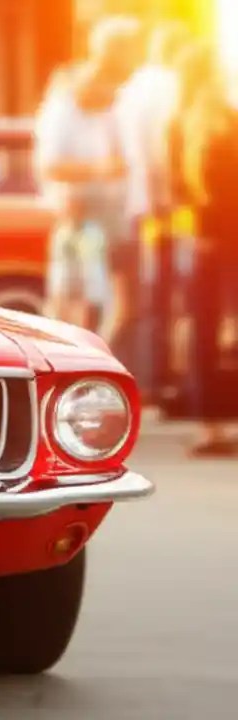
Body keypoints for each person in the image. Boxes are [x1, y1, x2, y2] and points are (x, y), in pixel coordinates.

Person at [34, 18, 141, 341]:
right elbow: (49, 166)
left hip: (115, 217)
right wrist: (99, 170)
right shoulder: (62, 109)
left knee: (122, 302)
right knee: (80, 304)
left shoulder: (110, 109)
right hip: (80, 216)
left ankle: (109, 358)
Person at [165, 44, 238, 455]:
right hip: (232, 236)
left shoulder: (177, 124)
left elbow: (173, 188)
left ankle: (209, 427)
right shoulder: (229, 121)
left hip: (196, 239)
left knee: (202, 331)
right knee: (228, 327)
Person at [116, 22, 190, 397]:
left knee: (147, 294)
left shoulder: (131, 88)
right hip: (163, 207)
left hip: (137, 204)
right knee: (169, 292)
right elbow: (160, 150)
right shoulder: (168, 87)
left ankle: (148, 376)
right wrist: (164, 197)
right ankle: (162, 377)